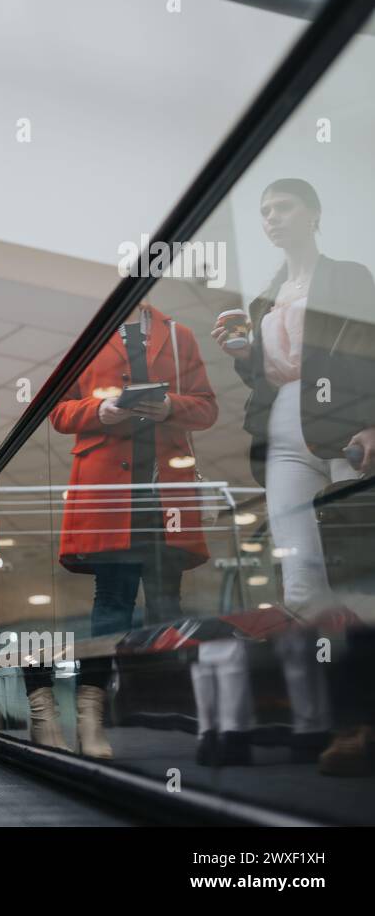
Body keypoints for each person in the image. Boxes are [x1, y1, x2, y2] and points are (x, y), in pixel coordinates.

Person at [211, 178, 375, 772]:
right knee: (302, 582)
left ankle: (361, 720)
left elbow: (367, 347)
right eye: (263, 212)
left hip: (343, 422)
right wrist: (242, 354)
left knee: (358, 572)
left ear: (314, 214)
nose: (271, 219)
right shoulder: (265, 298)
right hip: (282, 428)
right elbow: (266, 375)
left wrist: (374, 422)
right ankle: (342, 715)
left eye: (282, 208)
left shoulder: (349, 278)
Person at [27, 301, 218, 759]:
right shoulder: (90, 334)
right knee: (113, 601)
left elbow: (207, 409)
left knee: (165, 603)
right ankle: (91, 718)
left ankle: (163, 712)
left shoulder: (178, 335)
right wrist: (101, 410)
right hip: (110, 491)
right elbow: (57, 411)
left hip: (163, 489)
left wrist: (170, 404)